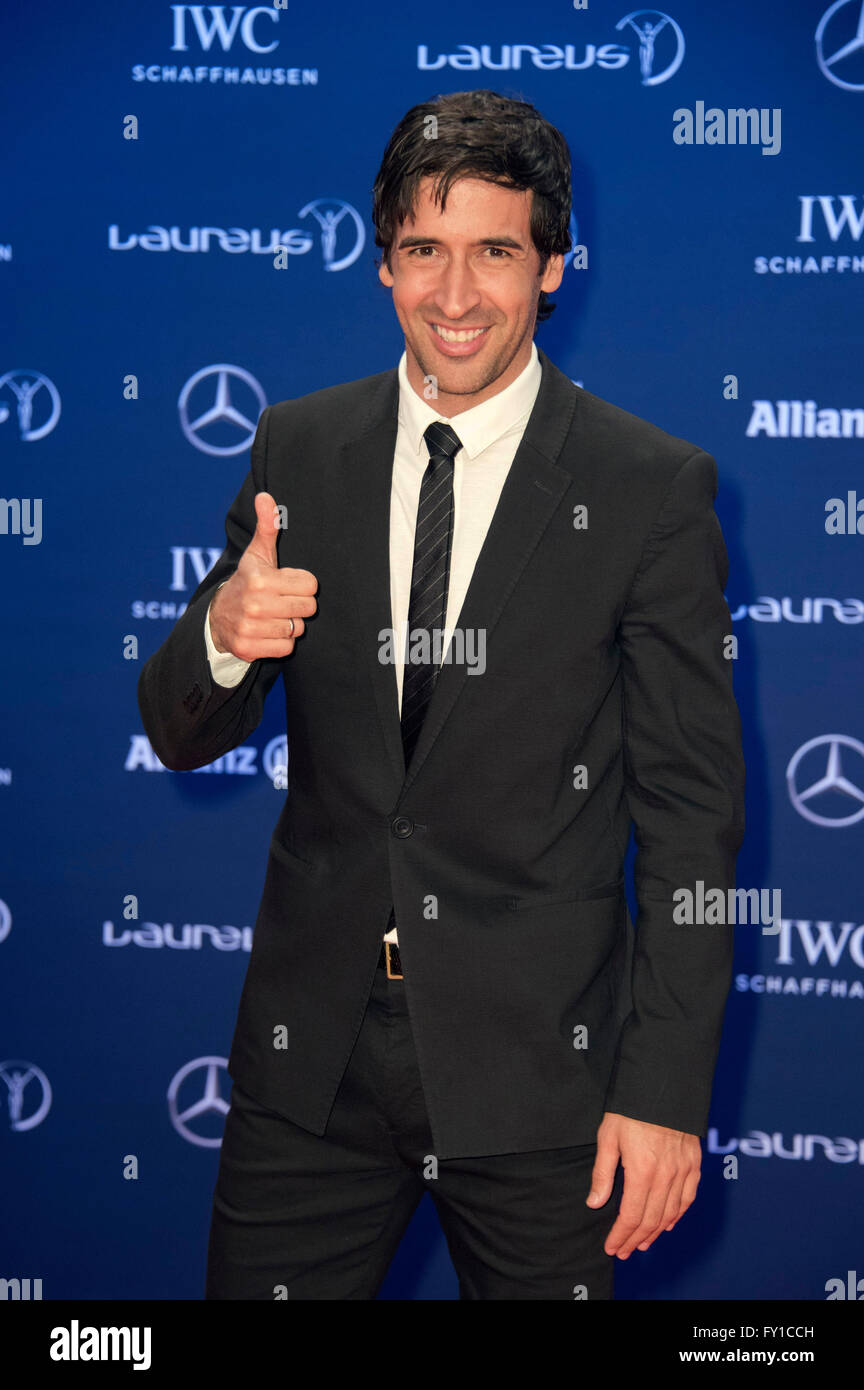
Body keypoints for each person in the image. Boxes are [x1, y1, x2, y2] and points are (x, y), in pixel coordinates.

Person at [138, 88, 746, 1301]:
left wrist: (664, 1092)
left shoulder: (647, 488)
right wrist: (220, 634)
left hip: (541, 1078)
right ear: (382, 264)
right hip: (312, 1068)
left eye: (495, 253)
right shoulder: (297, 448)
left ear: (554, 266)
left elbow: (689, 817)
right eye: (425, 249)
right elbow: (175, 724)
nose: (455, 296)